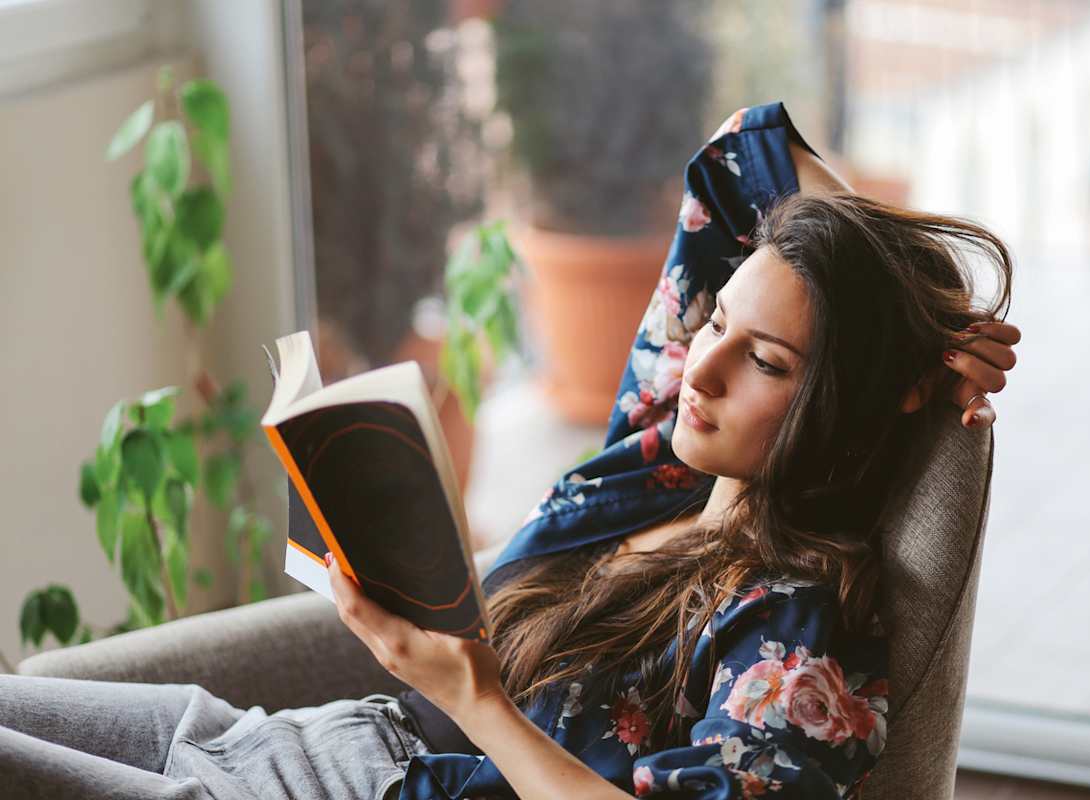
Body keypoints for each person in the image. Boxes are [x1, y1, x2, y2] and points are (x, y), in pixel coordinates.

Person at [0, 101, 1021, 800]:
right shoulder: (655, 470)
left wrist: (471, 695)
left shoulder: (795, 630)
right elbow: (734, 152)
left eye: (765, 361)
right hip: (272, 736)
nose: (699, 371)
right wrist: (918, 292)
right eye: (713, 323)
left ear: (837, 410)